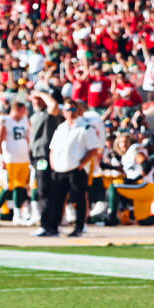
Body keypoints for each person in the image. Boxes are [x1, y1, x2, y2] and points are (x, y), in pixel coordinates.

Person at [49, 100, 103, 237]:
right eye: (67, 110)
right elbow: (53, 149)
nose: (70, 113)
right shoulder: (61, 127)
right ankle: (54, 226)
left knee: (79, 199)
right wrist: (53, 164)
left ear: (78, 111)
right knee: (57, 199)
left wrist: (81, 164)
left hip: (75, 169)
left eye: (73, 109)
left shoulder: (85, 127)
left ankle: (79, 227)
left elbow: (93, 149)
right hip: (60, 169)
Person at [29, 90, 64, 237]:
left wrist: (40, 92)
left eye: (39, 99)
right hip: (37, 156)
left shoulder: (49, 115)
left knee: (46, 190)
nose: (36, 101)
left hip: (46, 156)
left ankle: (48, 225)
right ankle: (49, 225)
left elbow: (54, 105)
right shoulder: (34, 115)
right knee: (43, 190)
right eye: (34, 99)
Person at [0, 98, 33, 225]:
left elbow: (27, 138)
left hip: (23, 159)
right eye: (22, 110)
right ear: (16, 109)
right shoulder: (6, 121)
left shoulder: (25, 121)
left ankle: (17, 215)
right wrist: (1, 158)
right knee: (7, 187)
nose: (24, 113)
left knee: (20, 187)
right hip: (10, 159)